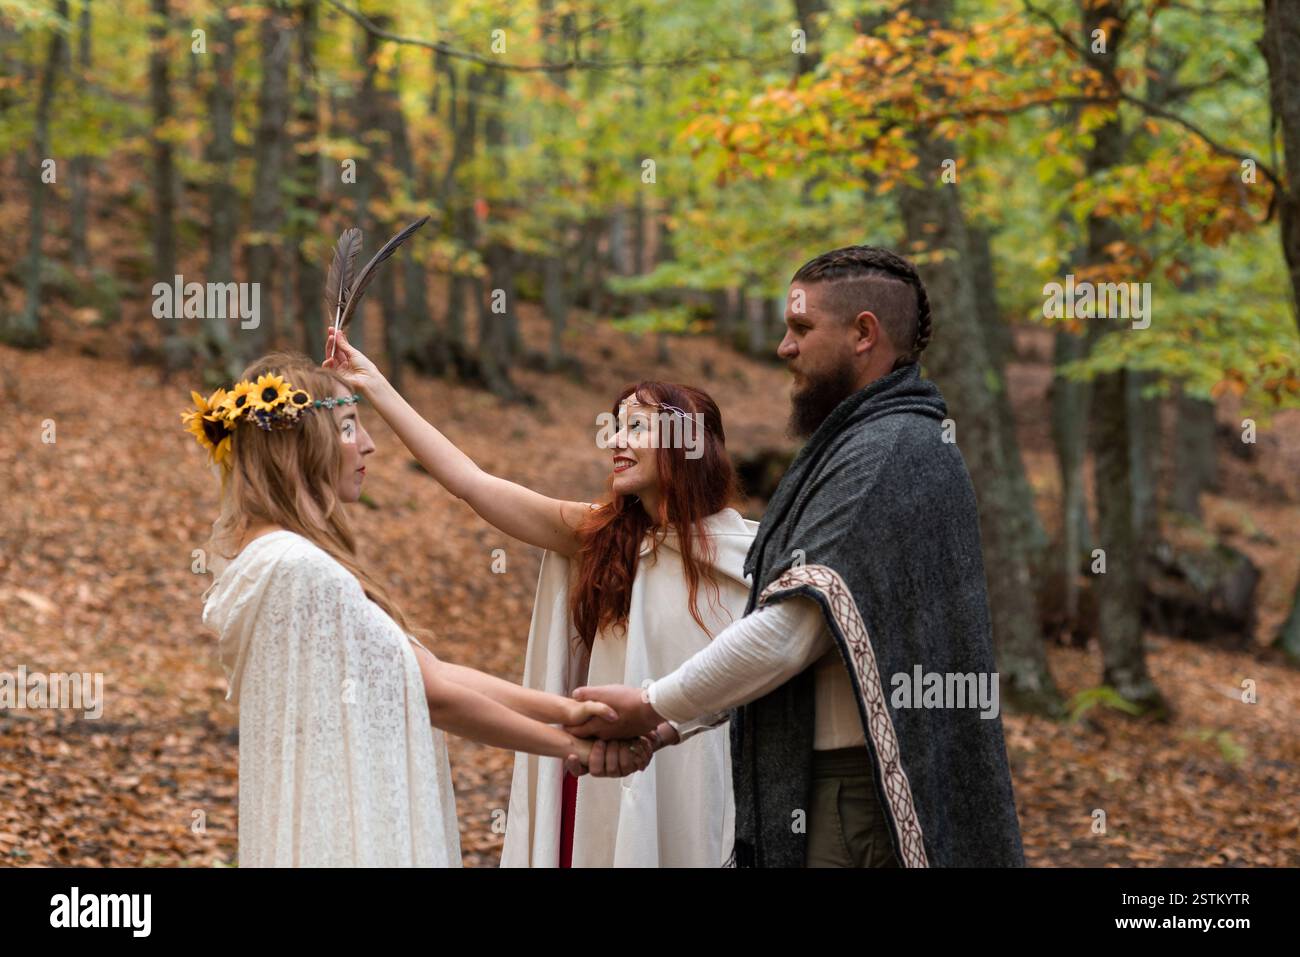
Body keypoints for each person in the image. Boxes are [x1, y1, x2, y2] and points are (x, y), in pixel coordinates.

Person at [566, 246, 1026, 868]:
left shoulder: (885, 453)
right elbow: (798, 643)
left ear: (864, 333)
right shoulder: (870, 443)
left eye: (802, 328)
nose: (784, 346)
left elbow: (790, 633)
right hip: (839, 789)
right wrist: (673, 726)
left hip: (858, 802)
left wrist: (652, 704)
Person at [324, 327, 755, 867]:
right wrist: (376, 386)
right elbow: (470, 482)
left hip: (697, 781)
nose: (616, 441)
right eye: (615, 428)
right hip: (605, 780)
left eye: (636, 428)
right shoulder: (596, 534)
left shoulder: (750, 558)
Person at [187, 353, 640, 867]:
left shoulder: (280, 561)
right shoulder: (299, 569)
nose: (368, 444)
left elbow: (428, 672)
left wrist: (569, 713)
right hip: (345, 830)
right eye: (348, 428)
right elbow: (435, 696)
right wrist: (576, 752)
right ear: (301, 445)